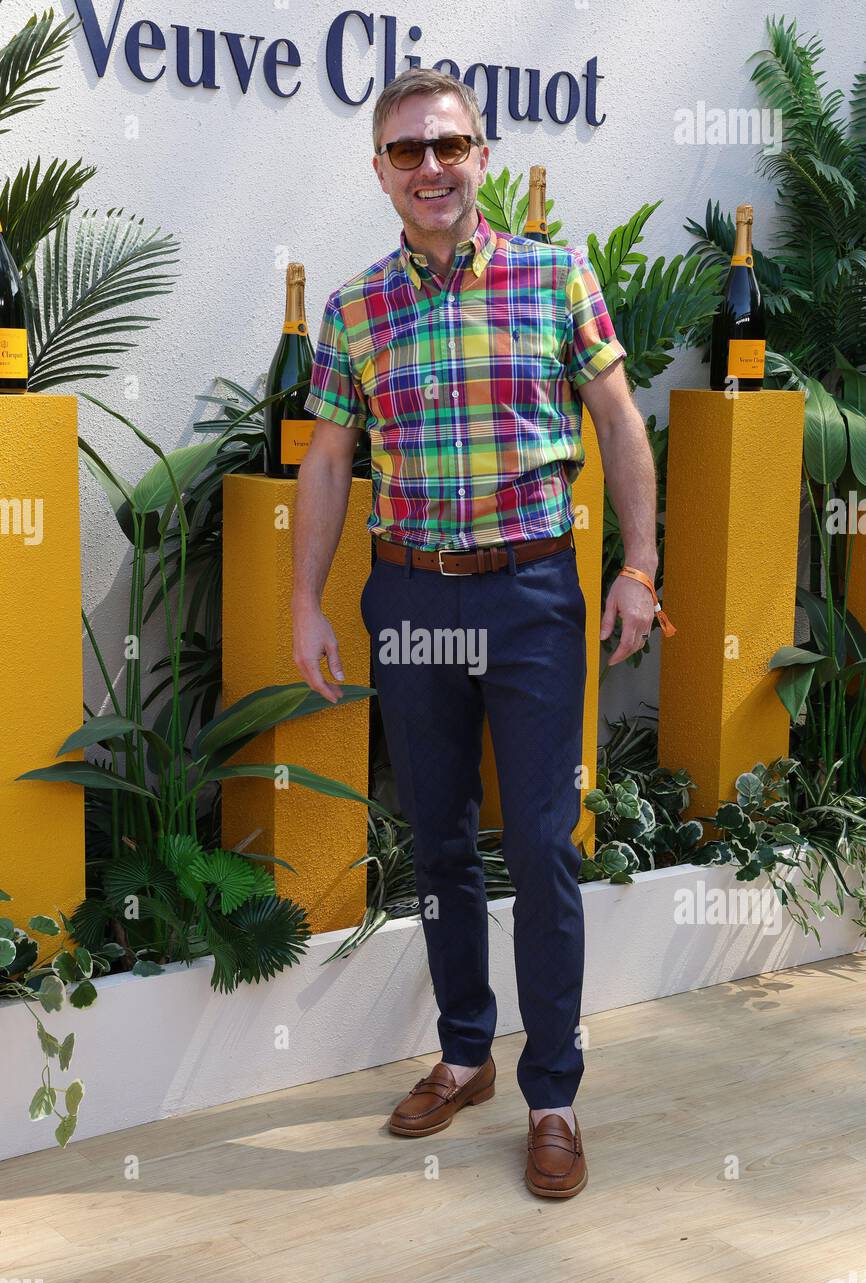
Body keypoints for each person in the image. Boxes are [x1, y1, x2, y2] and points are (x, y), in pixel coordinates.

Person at [292, 68, 659, 1199]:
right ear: (380, 171)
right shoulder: (355, 310)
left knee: (543, 843)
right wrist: (304, 602)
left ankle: (552, 1094)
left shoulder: (555, 276)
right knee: (439, 839)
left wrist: (638, 568)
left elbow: (618, 422)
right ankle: (464, 1053)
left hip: (532, 595)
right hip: (411, 600)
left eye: (448, 145)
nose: (430, 167)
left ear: (481, 157)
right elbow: (327, 462)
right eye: (406, 150)